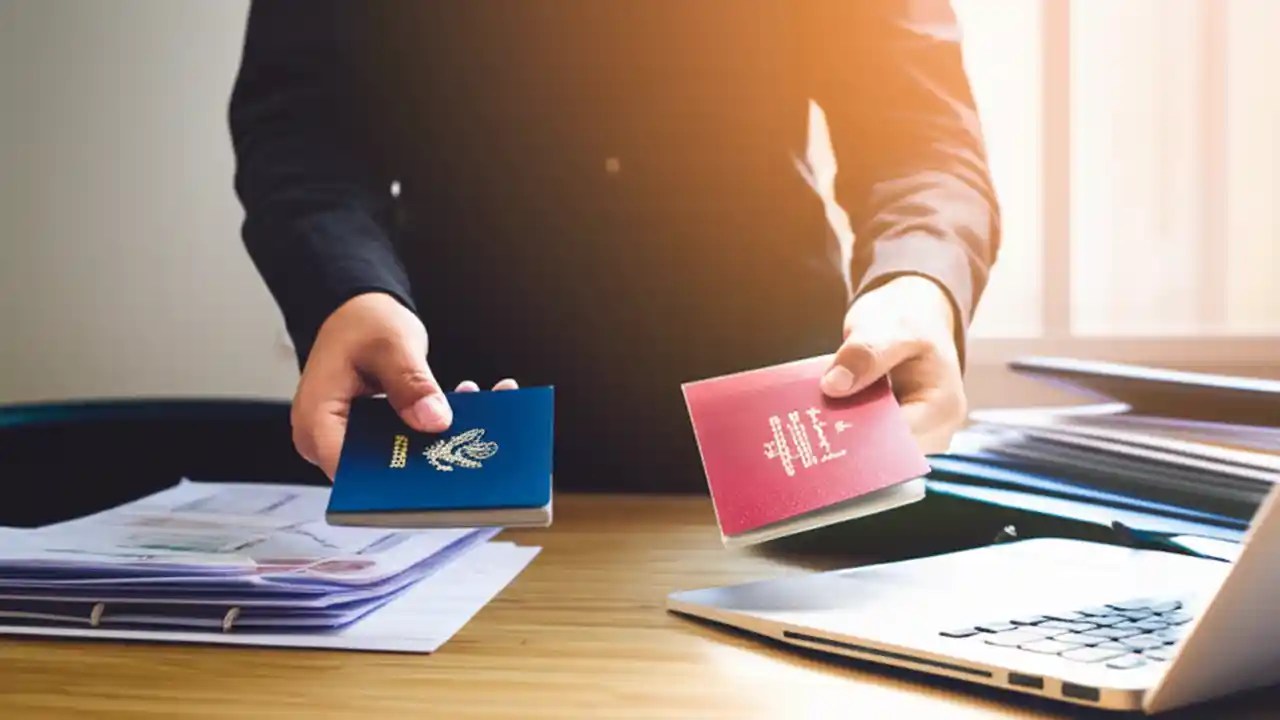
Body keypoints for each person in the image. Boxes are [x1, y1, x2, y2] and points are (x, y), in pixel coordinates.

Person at [229, 1, 1000, 491]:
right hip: (457, 408)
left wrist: (918, 283)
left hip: (782, 420)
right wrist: (344, 287)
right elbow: (301, 127)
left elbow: (921, 134)